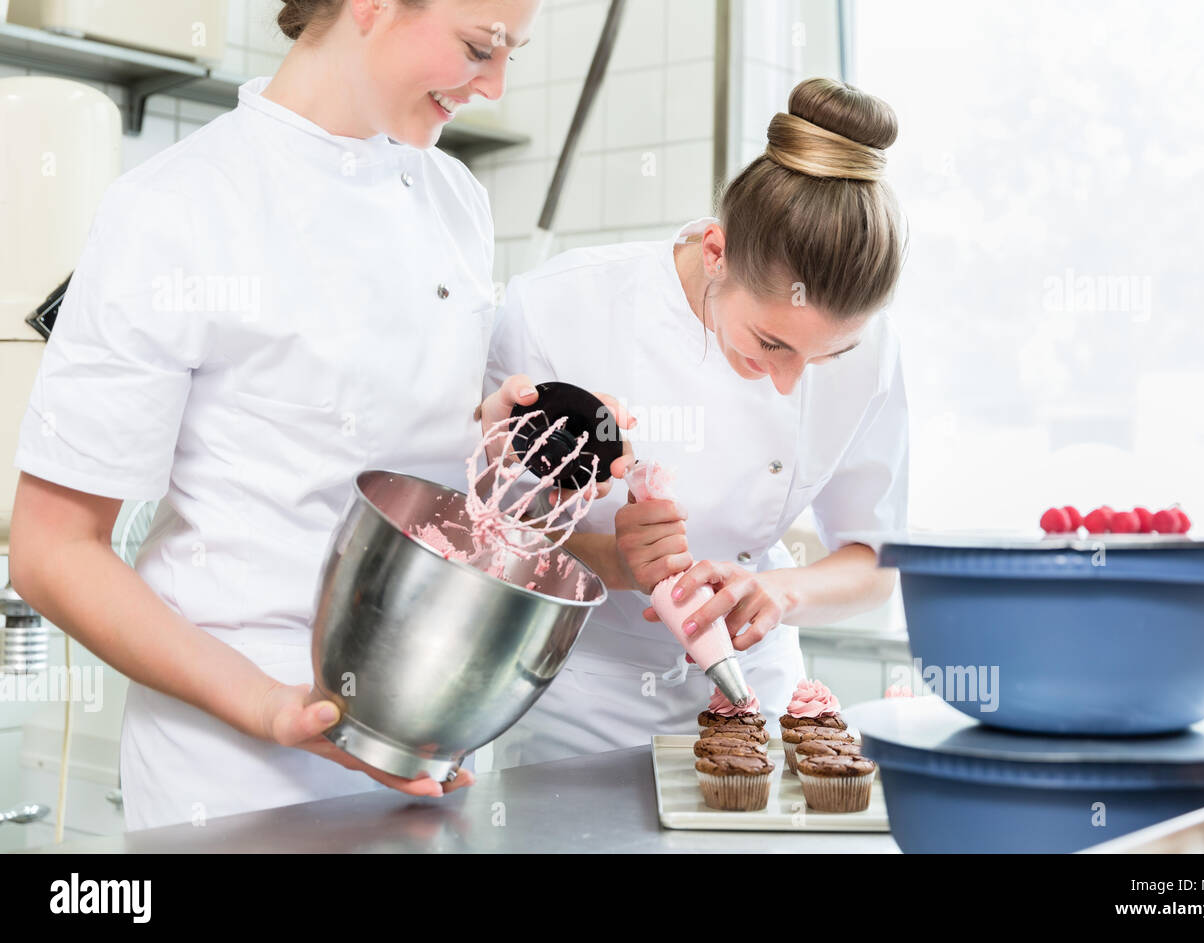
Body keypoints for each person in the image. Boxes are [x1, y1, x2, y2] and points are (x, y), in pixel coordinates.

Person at [7, 0, 546, 831]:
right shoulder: (175, 207)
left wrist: (501, 437)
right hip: (235, 774)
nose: (498, 86)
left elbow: (399, 460)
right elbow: (51, 552)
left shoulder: (455, 200)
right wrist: (265, 705)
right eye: (481, 47)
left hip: (426, 755)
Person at [485, 78, 910, 766]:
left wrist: (777, 590)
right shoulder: (559, 309)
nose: (789, 379)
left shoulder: (876, 352)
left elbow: (874, 561)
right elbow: (489, 543)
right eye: (771, 343)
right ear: (715, 251)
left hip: (759, 696)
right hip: (579, 707)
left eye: (828, 355)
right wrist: (614, 561)